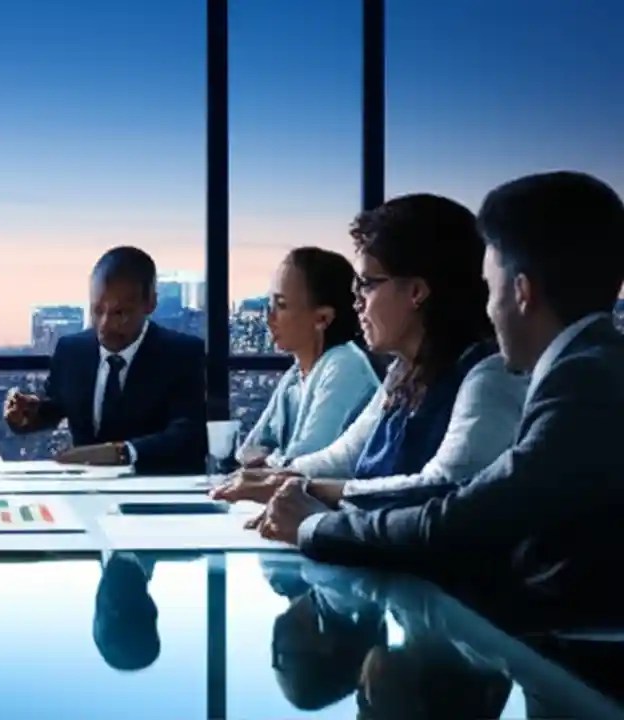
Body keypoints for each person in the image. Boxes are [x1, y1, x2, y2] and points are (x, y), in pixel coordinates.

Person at [258, 172, 624, 616]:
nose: (487, 307)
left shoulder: (581, 381)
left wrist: (316, 525)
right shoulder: (589, 367)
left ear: (522, 292)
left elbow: (459, 510)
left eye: (490, 288)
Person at [212, 194, 527, 509]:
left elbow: (441, 488)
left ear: (416, 292)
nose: (357, 302)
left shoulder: (488, 377)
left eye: (367, 284)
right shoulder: (403, 374)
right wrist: (279, 477)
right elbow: (347, 456)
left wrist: (304, 487)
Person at [5, 246, 208, 473]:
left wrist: (122, 453)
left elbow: (188, 435)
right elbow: (56, 407)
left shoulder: (182, 354)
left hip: (153, 489)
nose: (104, 325)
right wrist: (28, 417)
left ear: (150, 303)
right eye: (97, 311)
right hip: (84, 491)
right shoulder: (72, 350)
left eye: (120, 313)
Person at [237, 247, 380, 468]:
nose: (269, 318)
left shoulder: (344, 367)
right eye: (270, 304)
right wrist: (271, 460)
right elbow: (247, 451)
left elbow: (306, 461)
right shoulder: (295, 376)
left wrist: (269, 459)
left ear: (322, 318)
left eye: (281, 305)